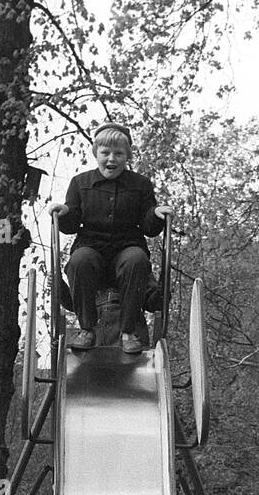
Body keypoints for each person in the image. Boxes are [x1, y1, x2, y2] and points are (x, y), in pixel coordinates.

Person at [50, 122, 170, 355]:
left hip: (127, 246)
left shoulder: (140, 184)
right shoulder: (80, 183)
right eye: (105, 153)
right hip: (92, 245)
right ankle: (87, 329)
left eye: (118, 153)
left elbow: (148, 226)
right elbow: (72, 222)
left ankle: (127, 332)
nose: (111, 159)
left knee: (137, 260)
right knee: (79, 261)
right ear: (96, 154)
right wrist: (64, 212)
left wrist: (155, 214)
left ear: (127, 156)